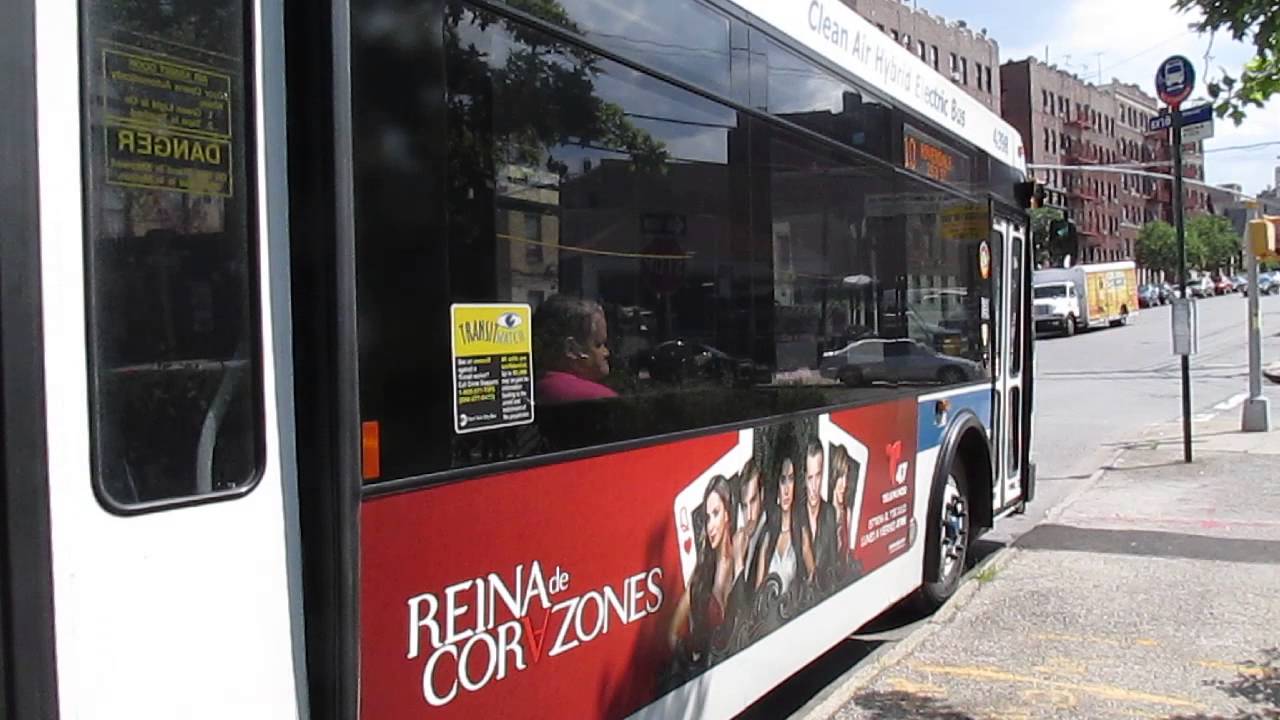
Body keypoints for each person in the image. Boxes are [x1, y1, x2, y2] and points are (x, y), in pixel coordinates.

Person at [669, 475, 741, 660]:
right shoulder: (702, 571)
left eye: (715, 514)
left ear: (727, 514)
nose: (710, 526)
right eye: (707, 518)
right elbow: (673, 631)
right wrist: (689, 662)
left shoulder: (741, 553)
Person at [532, 294, 617, 405]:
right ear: (571, 349)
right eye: (598, 344)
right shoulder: (599, 399)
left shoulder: (525, 389)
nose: (606, 352)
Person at [755, 455, 800, 595]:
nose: (786, 490)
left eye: (791, 479)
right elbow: (758, 593)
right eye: (782, 480)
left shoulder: (800, 532)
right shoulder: (767, 536)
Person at [800, 440, 837, 589]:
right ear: (804, 477)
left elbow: (833, 569)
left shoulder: (830, 513)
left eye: (818, 476)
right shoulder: (796, 514)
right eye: (810, 478)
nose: (815, 486)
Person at [733, 459, 768, 592]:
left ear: (762, 495)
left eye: (753, 501)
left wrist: (738, 561)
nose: (749, 515)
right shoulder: (745, 541)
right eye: (744, 506)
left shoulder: (768, 533)